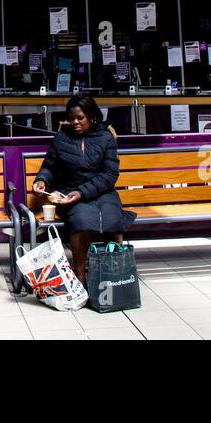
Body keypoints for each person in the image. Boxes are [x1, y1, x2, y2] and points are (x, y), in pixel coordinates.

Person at [32, 94, 135, 284]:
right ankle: (80, 274)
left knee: (113, 219)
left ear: (92, 116)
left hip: (102, 192)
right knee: (81, 221)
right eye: (71, 118)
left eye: (80, 118)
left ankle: (114, 273)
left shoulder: (105, 138)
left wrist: (82, 192)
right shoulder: (61, 139)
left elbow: (110, 174)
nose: (75, 122)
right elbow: (49, 165)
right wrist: (42, 180)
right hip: (70, 193)